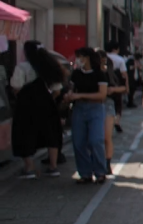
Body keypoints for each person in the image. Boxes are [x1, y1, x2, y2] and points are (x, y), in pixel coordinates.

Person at [12, 41, 64, 179]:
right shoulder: (50, 66)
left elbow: (16, 87)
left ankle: (29, 168)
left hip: (26, 107)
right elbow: (57, 90)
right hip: (47, 106)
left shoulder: (22, 67)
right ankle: (53, 166)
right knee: (51, 134)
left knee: (24, 134)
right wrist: (48, 99)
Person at [65, 47, 110, 184]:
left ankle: (100, 171)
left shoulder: (100, 74)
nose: (79, 60)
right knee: (78, 142)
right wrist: (69, 95)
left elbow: (102, 94)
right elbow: (72, 89)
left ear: (88, 58)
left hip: (96, 108)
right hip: (79, 108)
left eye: (81, 57)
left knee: (96, 140)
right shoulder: (76, 74)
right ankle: (85, 173)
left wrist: (80, 95)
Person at [100, 54, 127, 175]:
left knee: (107, 137)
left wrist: (113, 90)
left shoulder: (111, 73)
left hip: (108, 104)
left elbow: (124, 88)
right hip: (95, 104)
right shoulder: (91, 73)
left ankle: (107, 163)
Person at [105, 41, 127, 134]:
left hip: (105, 83)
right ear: (115, 49)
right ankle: (117, 121)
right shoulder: (120, 59)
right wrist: (126, 87)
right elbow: (124, 74)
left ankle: (108, 121)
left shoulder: (104, 57)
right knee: (118, 104)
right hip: (116, 83)